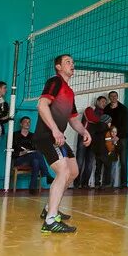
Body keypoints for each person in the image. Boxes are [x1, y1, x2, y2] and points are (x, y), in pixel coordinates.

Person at [32, 54, 93, 234]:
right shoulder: (55, 81)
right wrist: (55, 130)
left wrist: (83, 131)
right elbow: (42, 106)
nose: (72, 64)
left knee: (73, 172)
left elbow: (73, 118)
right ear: (58, 67)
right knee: (63, 171)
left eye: (73, 62)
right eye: (68, 62)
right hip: (47, 135)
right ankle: (50, 221)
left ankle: (48, 208)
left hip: (58, 138)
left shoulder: (69, 91)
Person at [13, 116, 50, 194]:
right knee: (36, 156)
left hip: (32, 158)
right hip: (20, 159)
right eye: (26, 122)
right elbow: (11, 151)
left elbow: (37, 149)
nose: (28, 123)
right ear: (21, 124)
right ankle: (46, 174)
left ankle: (32, 188)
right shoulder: (14, 135)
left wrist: (31, 151)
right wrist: (21, 153)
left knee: (36, 161)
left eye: (29, 122)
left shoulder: (33, 136)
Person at [104, 91, 128, 187]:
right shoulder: (106, 109)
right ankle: (108, 183)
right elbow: (105, 123)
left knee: (123, 160)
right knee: (109, 160)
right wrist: (109, 136)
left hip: (121, 138)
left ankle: (123, 183)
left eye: (115, 96)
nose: (113, 97)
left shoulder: (123, 109)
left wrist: (118, 137)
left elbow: (126, 125)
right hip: (109, 138)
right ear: (109, 98)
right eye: (111, 96)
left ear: (117, 97)